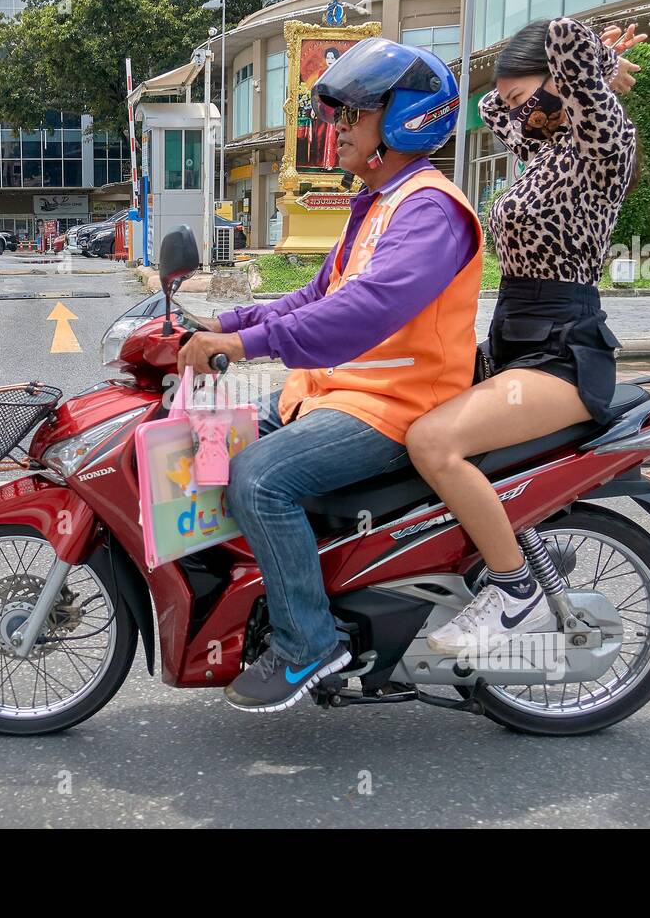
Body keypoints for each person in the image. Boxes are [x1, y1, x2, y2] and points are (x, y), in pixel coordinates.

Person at [177, 38, 482, 712]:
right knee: (208, 443)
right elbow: (311, 299)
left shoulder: (428, 210)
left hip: (399, 406)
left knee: (259, 478)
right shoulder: (378, 204)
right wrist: (223, 323)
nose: (337, 128)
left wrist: (246, 346)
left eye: (353, 114)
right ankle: (273, 590)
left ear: (405, 119)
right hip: (341, 396)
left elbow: (357, 317)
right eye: (337, 115)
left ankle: (307, 642)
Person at [403, 17, 645, 656]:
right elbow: (487, 102)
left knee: (433, 443)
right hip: (510, 339)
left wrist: (590, 67)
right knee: (399, 410)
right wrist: (541, 92)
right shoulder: (546, 147)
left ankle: (516, 595)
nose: (514, 112)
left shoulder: (603, 146)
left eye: (525, 98)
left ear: (564, 84)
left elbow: (564, 34)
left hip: (562, 352)